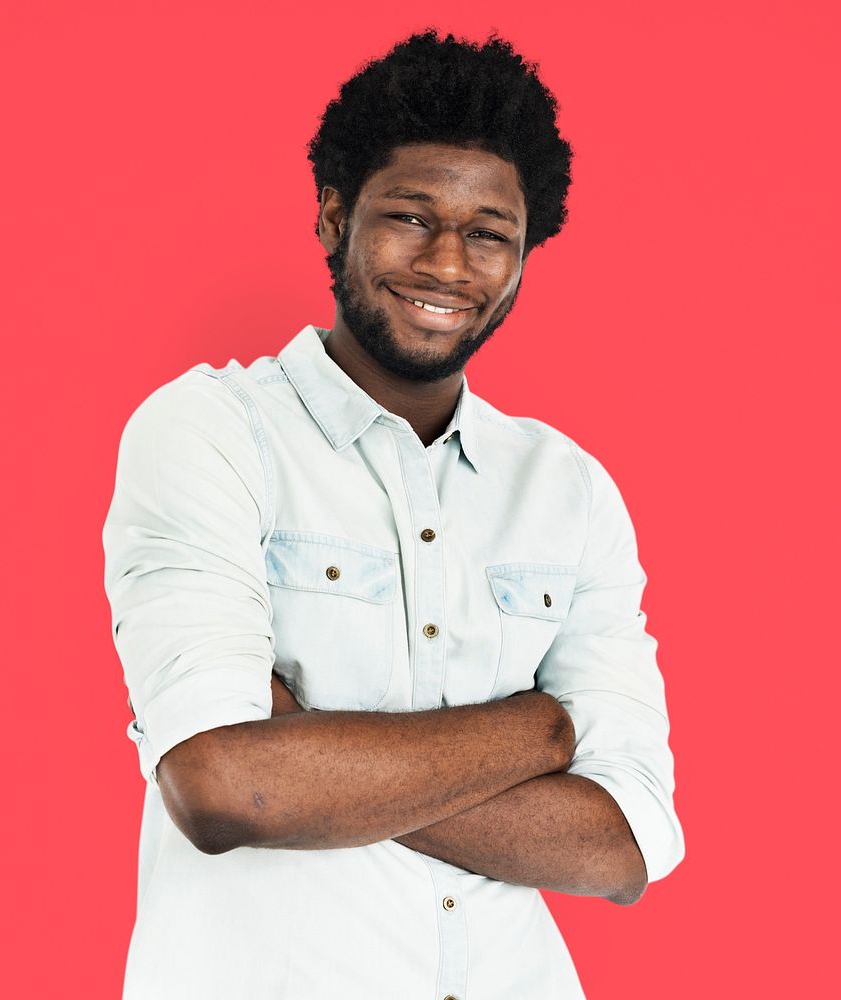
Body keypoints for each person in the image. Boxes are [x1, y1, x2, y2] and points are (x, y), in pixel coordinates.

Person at [102, 29, 684, 1000]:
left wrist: (310, 758)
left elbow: (620, 845)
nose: (447, 263)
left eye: (488, 232)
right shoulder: (211, 432)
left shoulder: (568, 490)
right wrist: (537, 733)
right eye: (411, 216)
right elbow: (220, 788)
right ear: (335, 218)